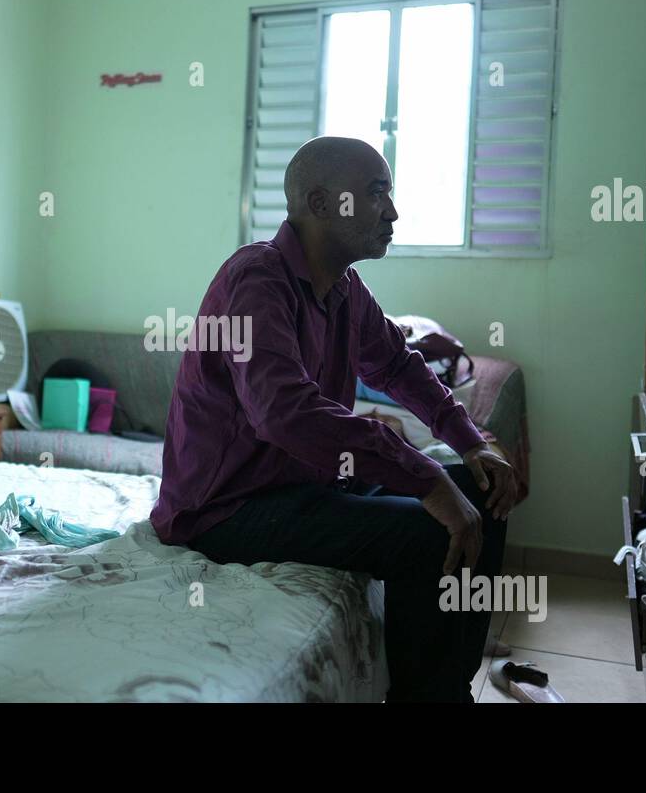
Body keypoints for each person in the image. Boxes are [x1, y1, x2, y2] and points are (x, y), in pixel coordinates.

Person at [149, 136, 520, 702]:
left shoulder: (345, 288)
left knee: (481, 490)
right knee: (428, 531)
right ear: (321, 205)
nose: (392, 212)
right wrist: (422, 475)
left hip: (302, 483)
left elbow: (397, 363)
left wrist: (468, 443)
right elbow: (284, 413)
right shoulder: (256, 281)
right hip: (226, 506)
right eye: (377, 194)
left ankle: (448, 688)